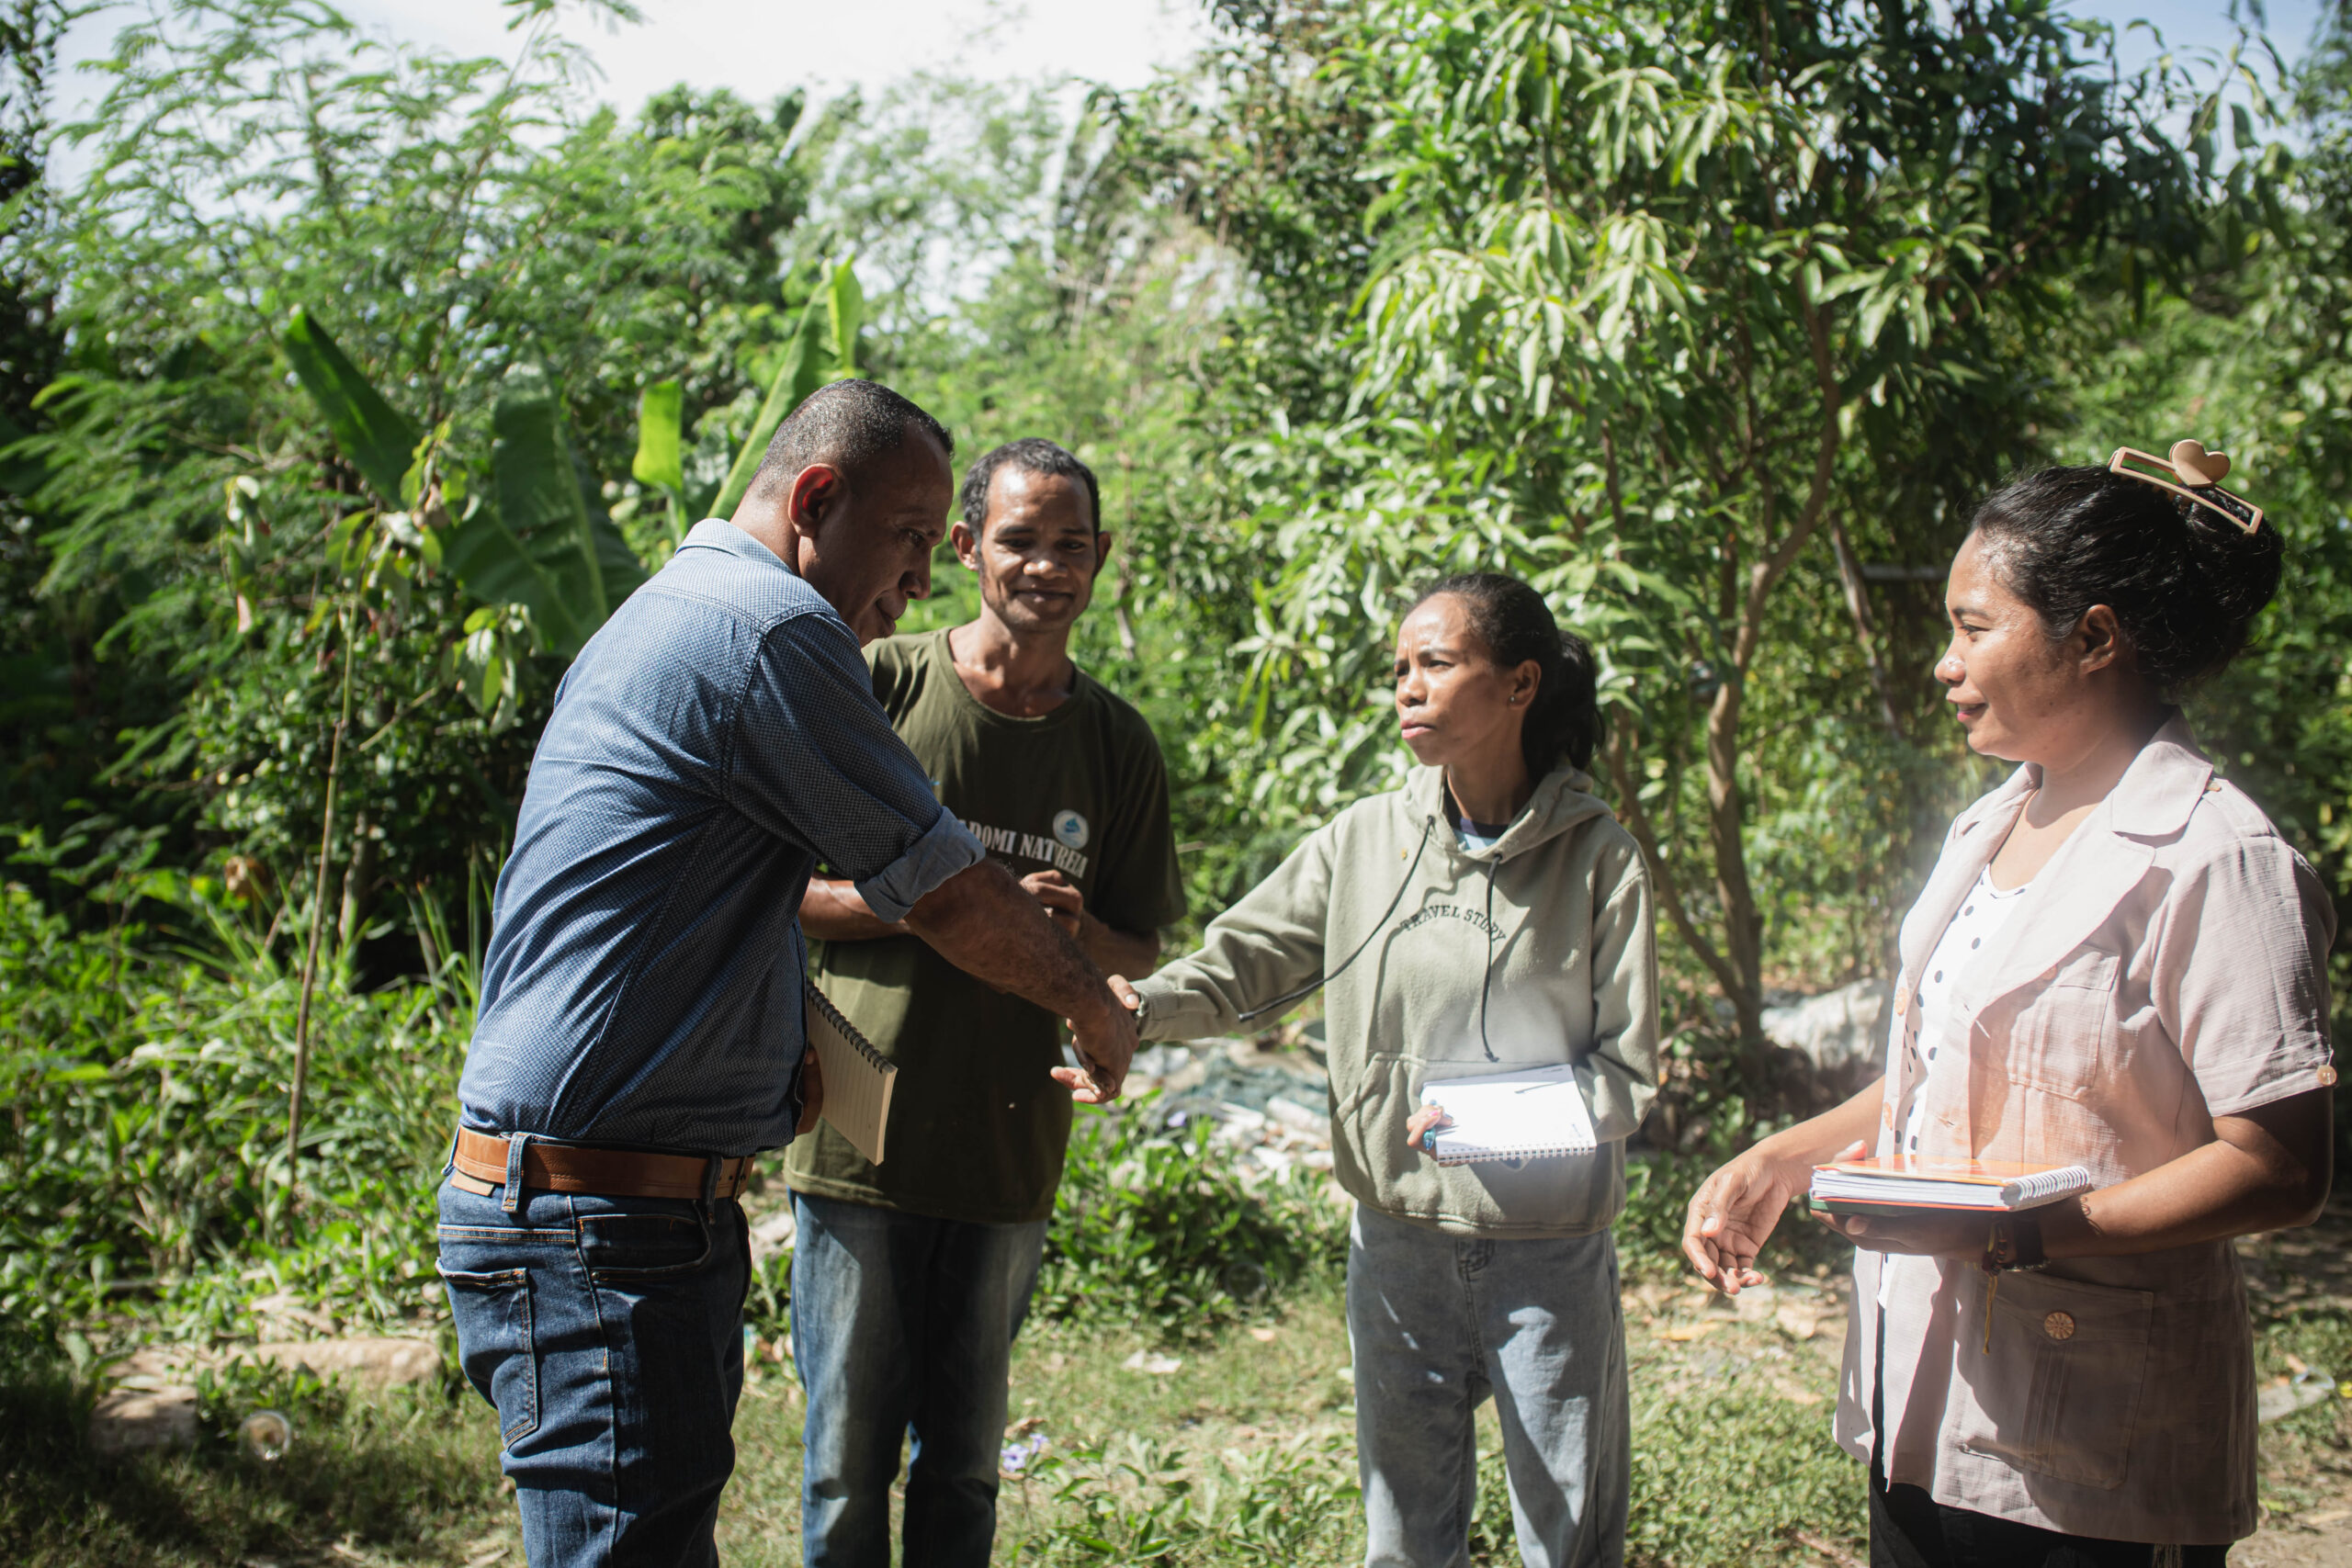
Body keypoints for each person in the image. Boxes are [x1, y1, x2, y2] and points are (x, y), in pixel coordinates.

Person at [436, 381, 1140, 1568]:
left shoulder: (679, 606)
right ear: (818, 498)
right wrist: (1087, 1001)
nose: (924, 577)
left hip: (621, 1205)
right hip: (597, 1215)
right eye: (917, 537)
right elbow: (946, 888)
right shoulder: (768, 629)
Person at [1680, 446, 2337, 1567]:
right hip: (1927, 1397)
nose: (1944, 663)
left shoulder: (2218, 858)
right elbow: (1961, 1063)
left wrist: (2025, 1232)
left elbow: (2278, 1161)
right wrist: (1788, 1158)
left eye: (1973, 627)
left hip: (2098, 1432)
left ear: (2092, 637)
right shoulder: (1987, 824)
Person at [1113, 572, 1659, 1568]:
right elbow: (1246, 961)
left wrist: (1492, 1123)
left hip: (1547, 1253)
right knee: (1403, 1538)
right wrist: (1136, 1011)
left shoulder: (1599, 861)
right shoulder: (1363, 841)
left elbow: (1625, 1076)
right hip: (1394, 1244)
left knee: (1567, 1538)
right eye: (1399, 668)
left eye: (1436, 664)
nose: (1406, 687)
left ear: (1520, 684)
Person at [785, 436, 1188, 1567]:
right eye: (1018, 539)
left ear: (1101, 559)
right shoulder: (880, 685)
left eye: (1071, 545)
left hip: (1009, 1156)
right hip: (858, 1145)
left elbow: (1138, 944)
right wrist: (940, 897)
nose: (1044, 566)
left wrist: (1062, 934)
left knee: (961, 1469)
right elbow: (785, 891)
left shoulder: (1115, 745)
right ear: (966, 549)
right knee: (841, 1465)